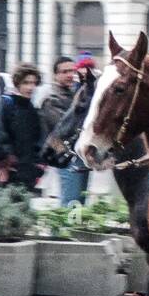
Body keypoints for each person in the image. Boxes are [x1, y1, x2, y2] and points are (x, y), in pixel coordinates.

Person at [0, 62, 45, 192]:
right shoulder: (7, 104)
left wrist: (38, 165)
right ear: (17, 83)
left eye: (34, 83)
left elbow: (37, 140)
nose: (31, 87)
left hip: (27, 173)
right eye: (26, 83)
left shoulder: (31, 109)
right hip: (8, 173)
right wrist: (3, 161)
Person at [40, 56, 88, 205]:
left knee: (78, 202)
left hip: (78, 154)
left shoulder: (74, 93)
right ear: (56, 74)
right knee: (71, 201)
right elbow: (63, 129)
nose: (70, 75)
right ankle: (65, 229)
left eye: (72, 71)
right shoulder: (52, 99)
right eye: (64, 71)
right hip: (65, 155)